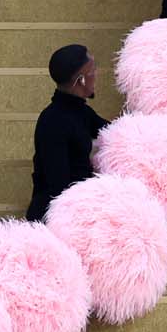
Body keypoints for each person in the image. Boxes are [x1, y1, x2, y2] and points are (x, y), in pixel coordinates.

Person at [24, 44, 108, 221]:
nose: (97, 75)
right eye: (93, 71)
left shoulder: (81, 112)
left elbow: (113, 130)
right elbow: (58, 185)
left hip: (77, 207)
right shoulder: (52, 122)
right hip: (57, 216)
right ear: (81, 81)